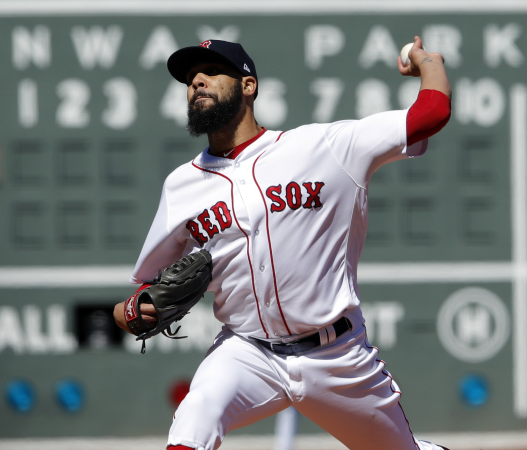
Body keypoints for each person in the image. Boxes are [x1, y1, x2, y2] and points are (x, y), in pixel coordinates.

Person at [114, 37, 452, 450]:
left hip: (337, 355)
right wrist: (130, 310)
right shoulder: (181, 185)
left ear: (249, 85)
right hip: (247, 352)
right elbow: (145, 291)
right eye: (189, 78)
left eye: (211, 72)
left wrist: (428, 61)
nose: (197, 81)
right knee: (194, 415)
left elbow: (431, 113)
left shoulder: (324, 147)